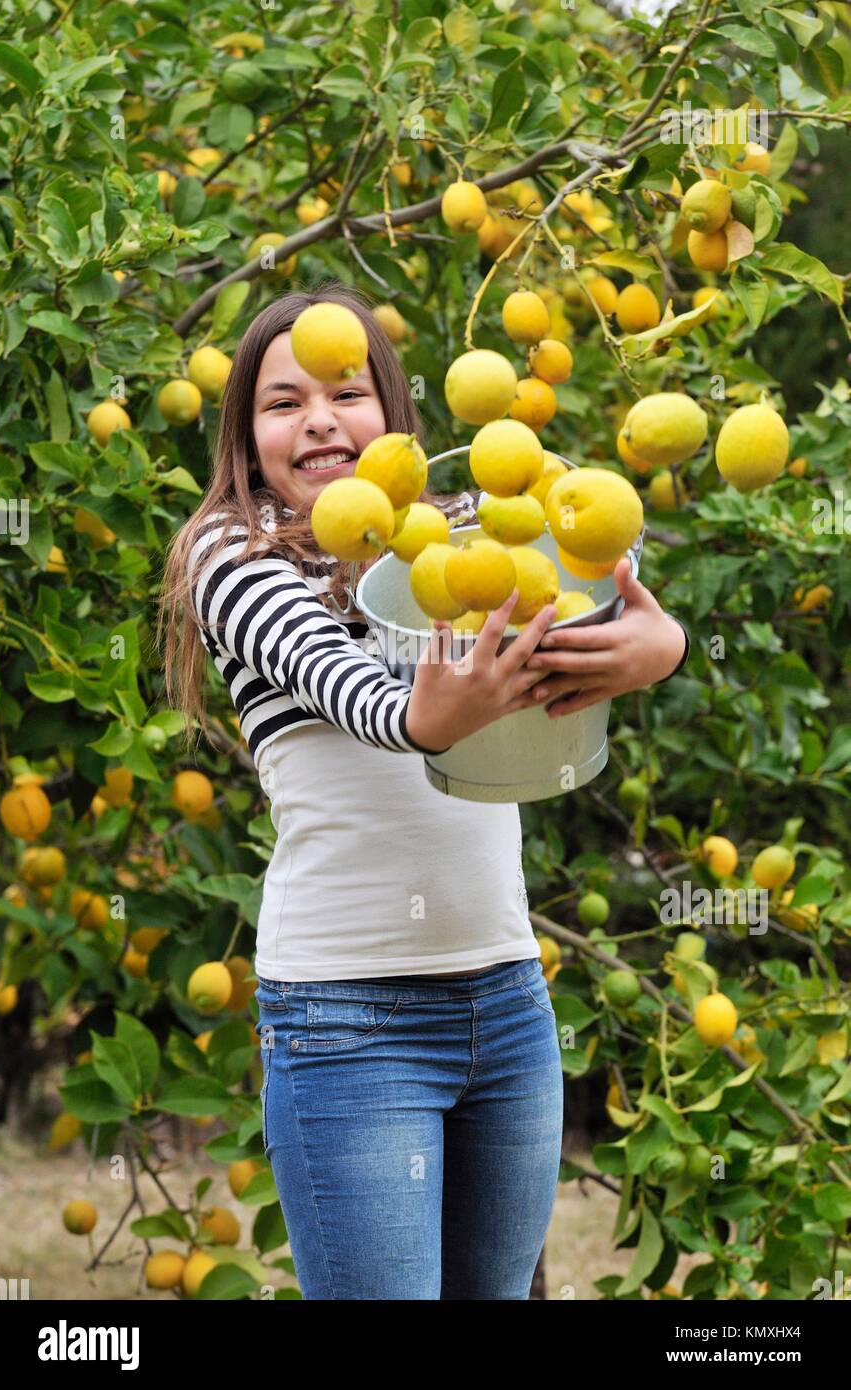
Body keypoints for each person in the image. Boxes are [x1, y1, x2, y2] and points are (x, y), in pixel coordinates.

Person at [159, 279, 689, 1300]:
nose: (318, 418)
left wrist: (654, 642)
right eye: (282, 402)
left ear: (393, 419)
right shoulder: (231, 551)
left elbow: (592, 535)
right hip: (348, 1018)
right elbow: (341, 681)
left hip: (505, 995)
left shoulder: (446, 533)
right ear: (243, 431)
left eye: (346, 392)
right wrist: (425, 719)